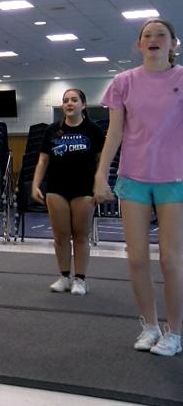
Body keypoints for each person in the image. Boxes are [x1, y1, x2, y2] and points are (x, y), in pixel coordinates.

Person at [95, 18, 183, 357]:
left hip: (173, 179)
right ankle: (149, 325)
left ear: (174, 43)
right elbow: (114, 133)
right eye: (147, 35)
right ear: (138, 44)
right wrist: (101, 174)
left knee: (171, 260)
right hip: (133, 179)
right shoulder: (123, 82)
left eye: (161, 35)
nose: (154, 39)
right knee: (136, 259)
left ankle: (175, 332)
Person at [32, 89, 105, 296]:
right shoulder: (53, 130)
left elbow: (102, 161)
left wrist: (101, 184)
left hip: (84, 189)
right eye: (65, 101)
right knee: (60, 235)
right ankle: (64, 276)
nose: (69, 103)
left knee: (81, 235)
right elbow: (43, 160)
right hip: (56, 188)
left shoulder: (94, 130)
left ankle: (80, 279)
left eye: (74, 100)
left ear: (83, 105)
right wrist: (35, 184)